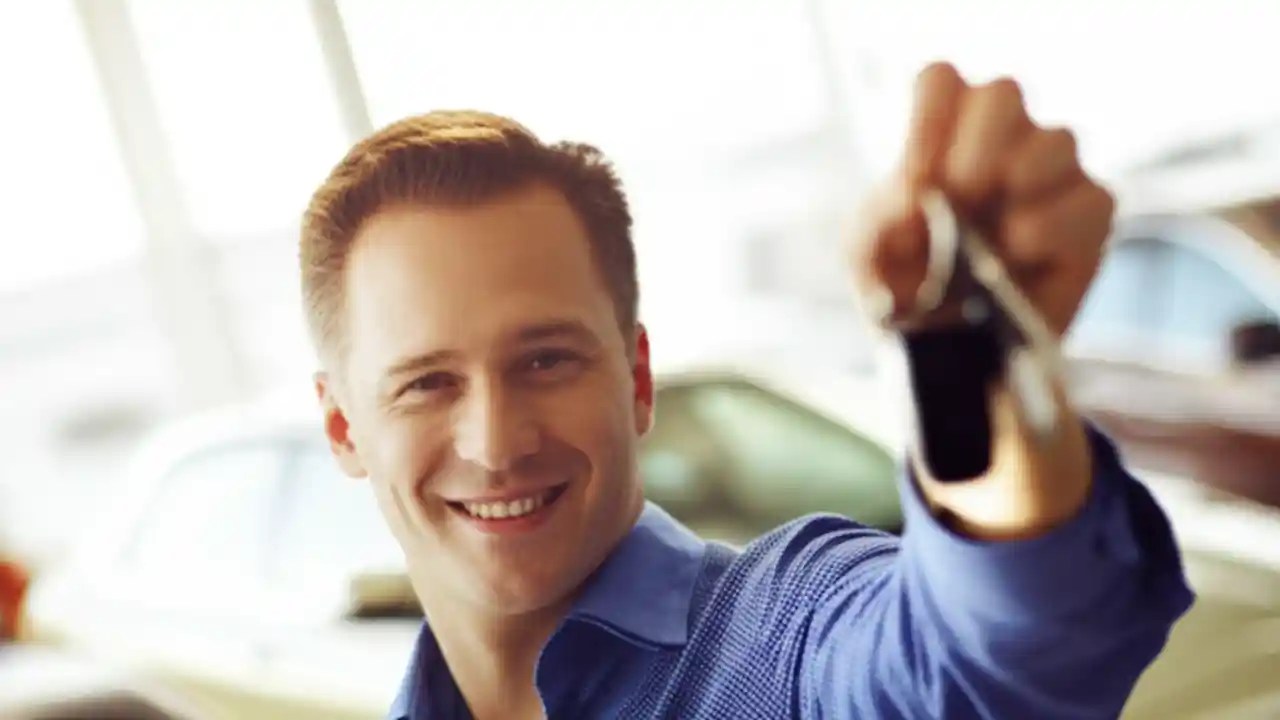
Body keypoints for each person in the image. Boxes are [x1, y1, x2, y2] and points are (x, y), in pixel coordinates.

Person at [300, 62, 1193, 719]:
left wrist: (975, 365)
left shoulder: (787, 641)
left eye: (546, 361)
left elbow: (982, 663)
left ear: (637, 378)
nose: (495, 442)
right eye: (426, 383)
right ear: (344, 426)